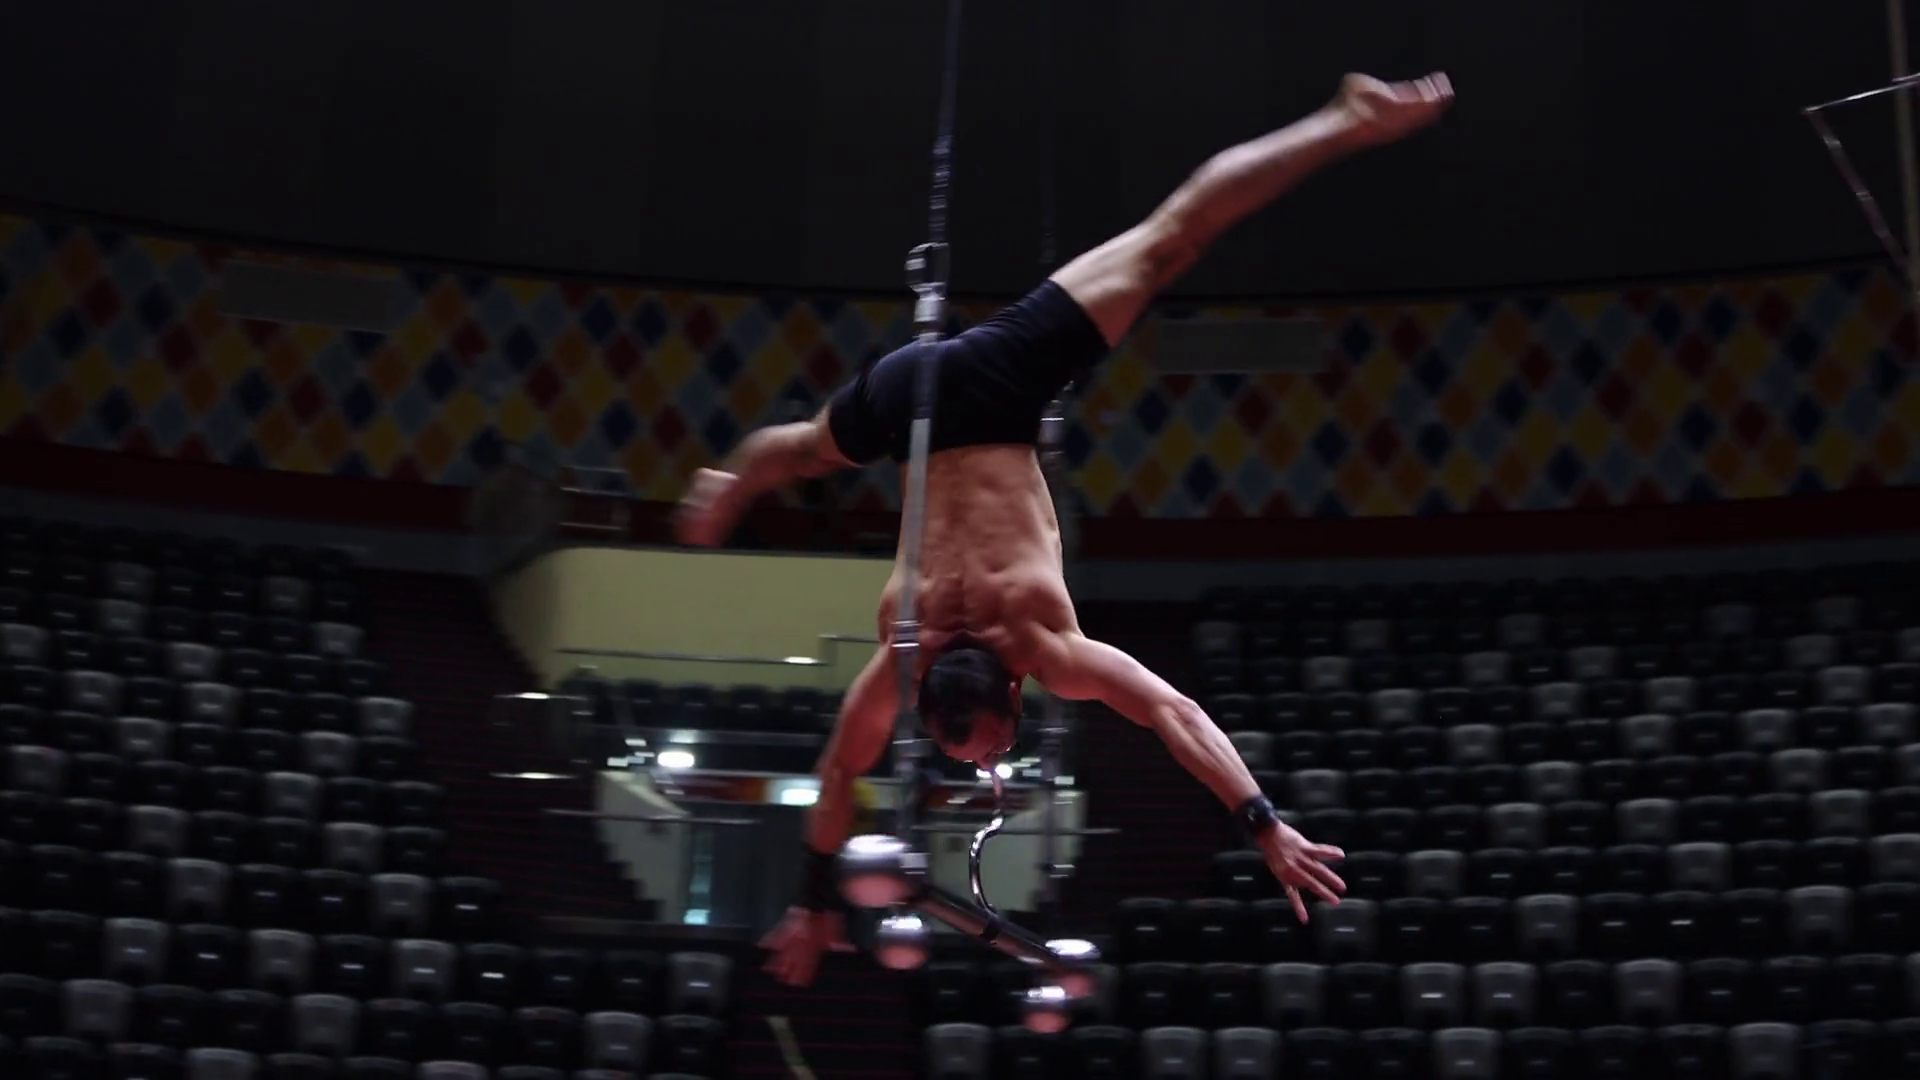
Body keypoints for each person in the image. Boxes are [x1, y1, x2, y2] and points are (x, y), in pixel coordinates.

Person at [676, 72, 1455, 986]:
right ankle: (735, 479)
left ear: (1012, 687)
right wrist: (807, 901)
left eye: (991, 741)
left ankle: (1342, 122)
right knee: (814, 443)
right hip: (915, 396)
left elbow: (1172, 710)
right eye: (989, 753)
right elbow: (839, 773)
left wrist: (1264, 822)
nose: (997, 753)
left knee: (1172, 244)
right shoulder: (906, 653)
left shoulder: (1039, 644)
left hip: (990, 393)